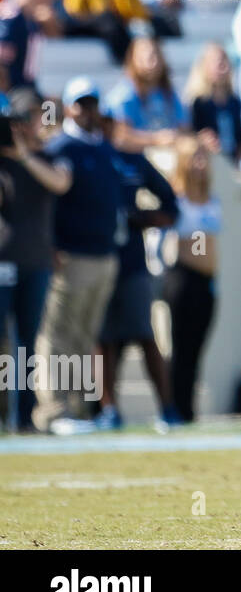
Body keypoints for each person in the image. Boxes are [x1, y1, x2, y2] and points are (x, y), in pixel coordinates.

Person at [32, 78, 123, 433]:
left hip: (103, 254)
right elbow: (49, 201)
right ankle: (53, 411)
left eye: (92, 103)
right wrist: (52, 244)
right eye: (81, 104)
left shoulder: (103, 148)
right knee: (57, 336)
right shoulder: (61, 147)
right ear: (69, 107)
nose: (87, 110)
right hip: (71, 255)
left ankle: (76, 409)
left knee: (85, 337)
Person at [96, 118, 181, 429]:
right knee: (102, 339)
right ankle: (107, 409)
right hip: (96, 259)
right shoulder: (87, 156)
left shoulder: (131, 161)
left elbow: (170, 204)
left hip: (131, 263)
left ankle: (167, 408)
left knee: (144, 333)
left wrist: (141, 219)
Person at [0, 88, 72, 431]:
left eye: (31, 117)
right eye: (21, 118)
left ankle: (23, 416)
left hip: (36, 261)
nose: (26, 125)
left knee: (26, 342)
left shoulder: (50, 154)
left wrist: (25, 155)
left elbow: (60, 183)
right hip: (4, 259)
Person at [162, 136, 221, 423]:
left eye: (203, 157)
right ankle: (175, 408)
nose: (200, 163)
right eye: (194, 157)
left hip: (207, 283)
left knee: (197, 348)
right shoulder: (177, 198)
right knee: (180, 347)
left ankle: (188, 408)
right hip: (183, 279)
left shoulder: (212, 199)